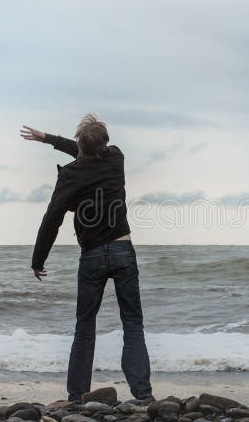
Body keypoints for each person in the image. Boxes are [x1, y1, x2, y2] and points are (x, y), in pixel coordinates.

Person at [21, 116, 154, 403]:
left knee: (84, 326)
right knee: (132, 323)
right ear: (105, 144)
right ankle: (143, 395)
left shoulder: (71, 175)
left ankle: (77, 395)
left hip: (91, 256)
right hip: (122, 250)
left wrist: (38, 259)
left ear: (80, 146)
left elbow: (52, 218)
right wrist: (49, 139)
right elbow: (88, 150)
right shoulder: (116, 159)